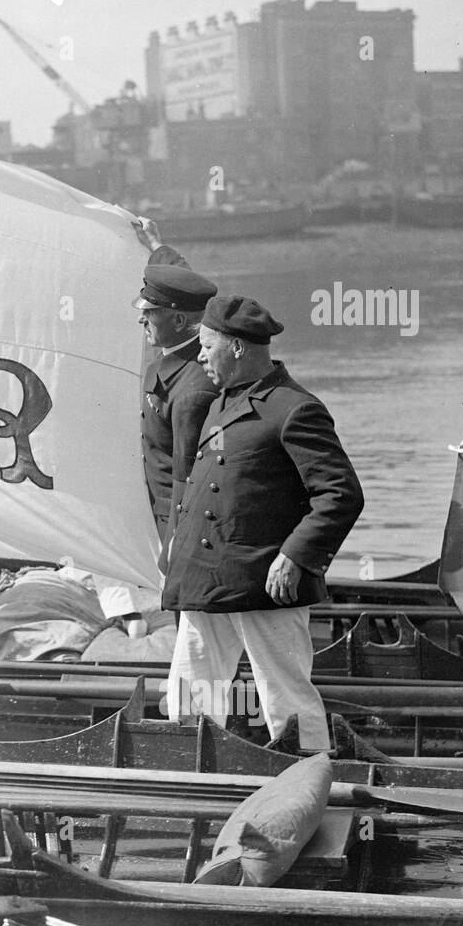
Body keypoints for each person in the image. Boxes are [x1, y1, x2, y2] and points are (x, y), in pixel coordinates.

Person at [161, 295, 364, 752]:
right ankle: (184, 771)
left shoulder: (294, 408)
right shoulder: (220, 403)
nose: (199, 356)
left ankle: (309, 775)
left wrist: (295, 555)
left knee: (285, 695)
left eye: (207, 346)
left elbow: (341, 494)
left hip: (265, 581)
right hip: (206, 579)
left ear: (235, 347)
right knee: (190, 692)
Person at [130, 217, 219, 552]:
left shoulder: (194, 388)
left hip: (180, 528)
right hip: (160, 518)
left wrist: (173, 546)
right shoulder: (177, 353)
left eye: (149, 313)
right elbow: (183, 282)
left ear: (179, 321)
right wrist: (156, 246)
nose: (141, 319)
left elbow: (189, 476)